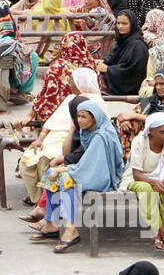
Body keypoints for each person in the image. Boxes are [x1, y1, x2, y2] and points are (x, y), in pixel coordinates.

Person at [33, 102, 125, 253]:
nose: (79, 120)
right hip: (90, 171)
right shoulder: (89, 132)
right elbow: (85, 163)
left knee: (66, 179)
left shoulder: (100, 136)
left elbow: (88, 166)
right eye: (78, 116)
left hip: (103, 176)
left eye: (84, 117)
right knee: (50, 174)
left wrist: (63, 169)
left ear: (94, 118)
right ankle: (51, 222)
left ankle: (71, 229)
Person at [120, 112, 164, 255]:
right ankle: (163, 234)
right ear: (151, 131)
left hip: (162, 179)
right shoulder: (140, 142)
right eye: (163, 132)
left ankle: (158, 233)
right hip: (138, 179)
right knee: (146, 189)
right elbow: (136, 174)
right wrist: (154, 182)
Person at [98, 9, 148, 95]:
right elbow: (114, 56)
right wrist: (103, 62)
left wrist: (108, 70)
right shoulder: (123, 40)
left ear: (132, 24)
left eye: (124, 24)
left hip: (129, 88)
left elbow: (133, 71)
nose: (120, 26)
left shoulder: (137, 45)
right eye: (118, 23)